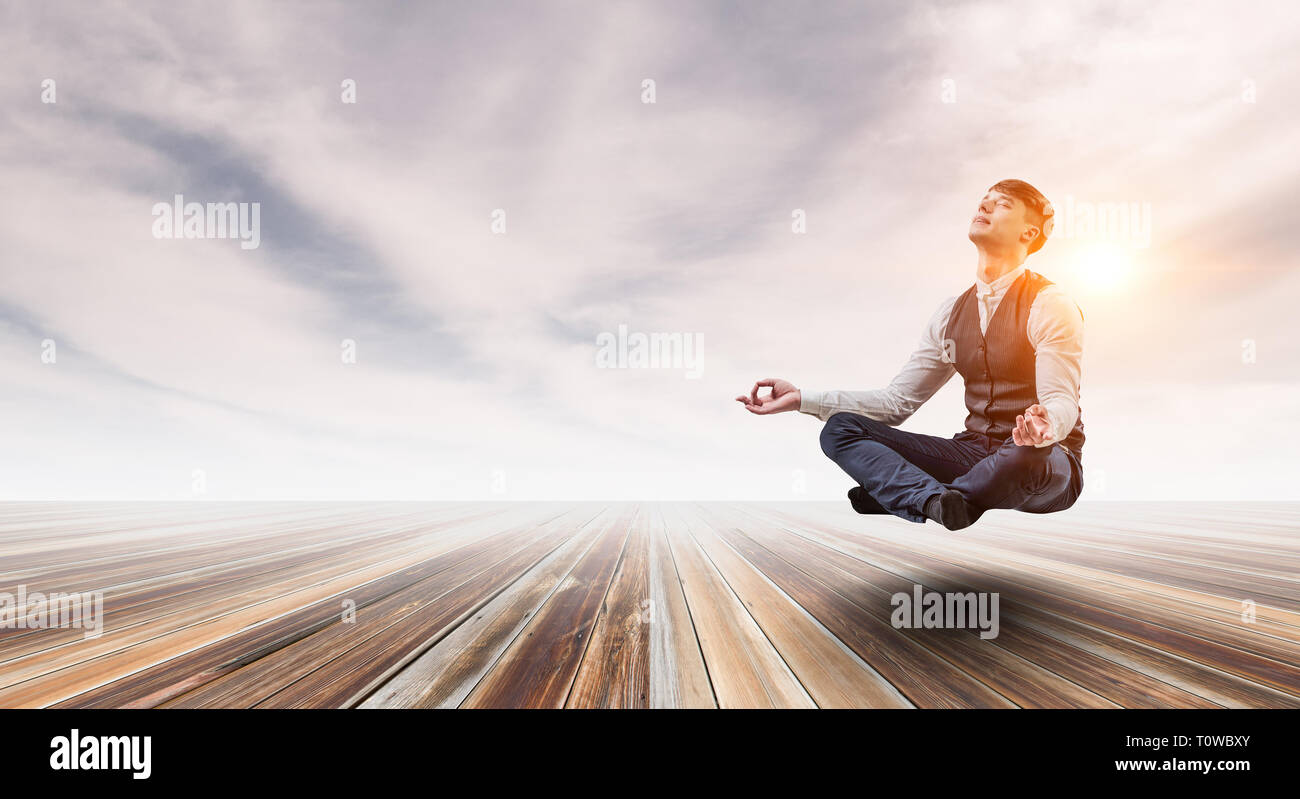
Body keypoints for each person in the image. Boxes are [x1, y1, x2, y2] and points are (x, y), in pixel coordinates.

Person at [736, 179, 1085, 530]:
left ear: (1028, 232)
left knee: (1025, 457)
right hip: (973, 455)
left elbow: (1061, 399)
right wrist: (801, 399)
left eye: (1002, 204)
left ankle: (905, 493)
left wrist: (1047, 426)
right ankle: (935, 501)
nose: (984, 207)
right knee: (840, 429)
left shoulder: (1051, 304)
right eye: (983, 200)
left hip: (1044, 460)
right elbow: (896, 403)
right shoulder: (951, 313)